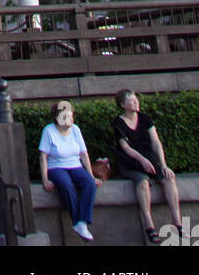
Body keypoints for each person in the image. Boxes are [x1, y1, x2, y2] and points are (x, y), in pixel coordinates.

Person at [113, 88, 182, 244]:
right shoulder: (118, 122)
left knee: (169, 179)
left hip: (151, 160)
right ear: (123, 104)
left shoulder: (145, 118)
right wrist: (142, 160)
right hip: (132, 163)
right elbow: (125, 148)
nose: (136, 102)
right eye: (131, 100)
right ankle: (149, 225)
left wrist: (163, 165)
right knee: (143, 183)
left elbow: (156, 143)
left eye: (136, 99)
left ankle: (177, 222)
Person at [38, 99, 100, 241]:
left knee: (89, 184)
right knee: (66, 184)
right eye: (65, 117)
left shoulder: (76, 130)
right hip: (56, 167)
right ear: (57, 118)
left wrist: (91, 176)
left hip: (75, 165)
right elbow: (43, 157)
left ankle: (82, 222)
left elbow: (84, 154)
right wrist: (45, 179)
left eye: (71, 116)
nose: (69, 120)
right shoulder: (48, 131)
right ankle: (77, 220)